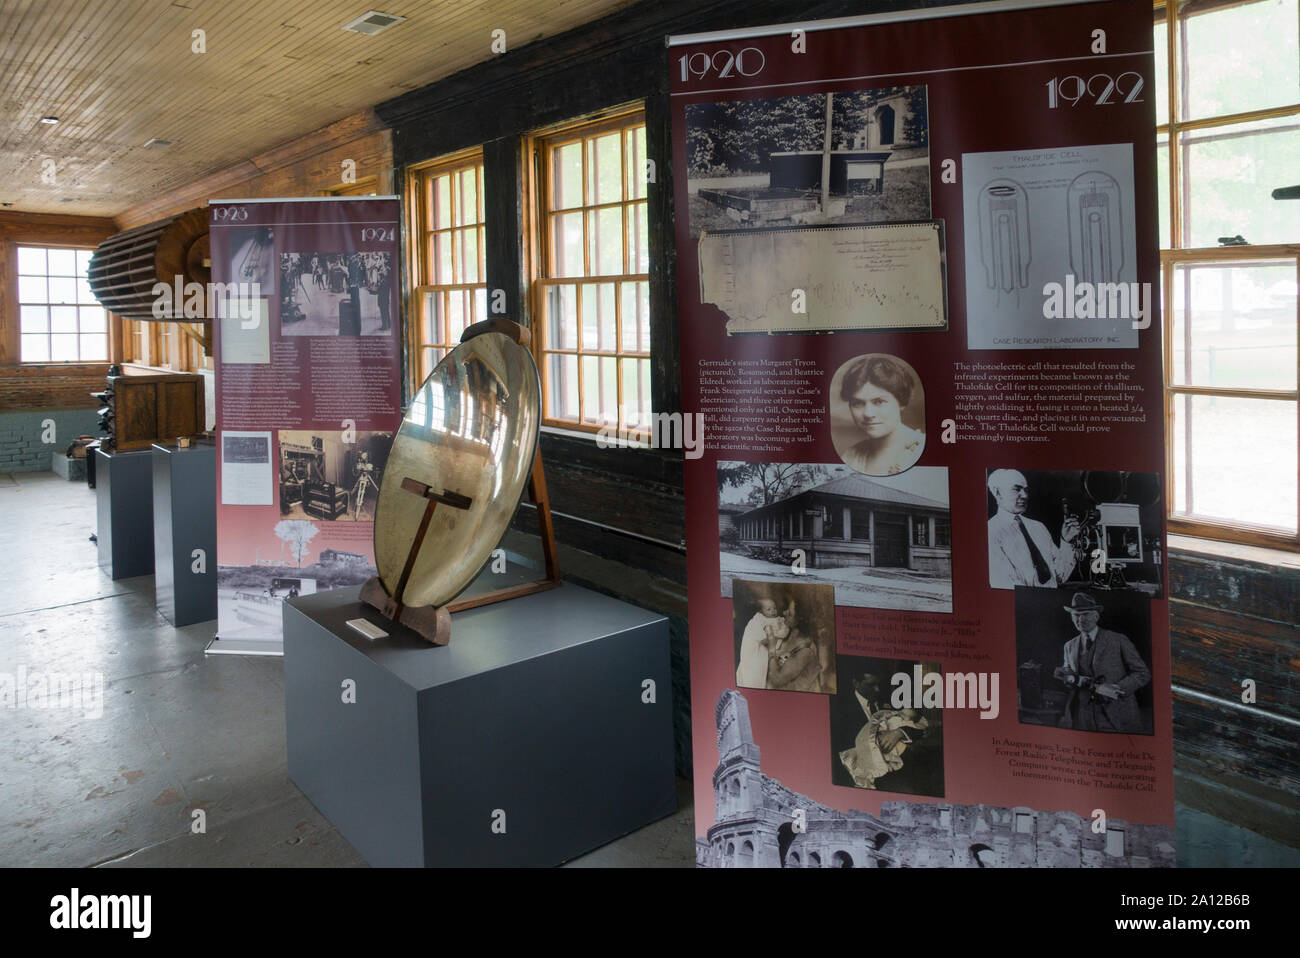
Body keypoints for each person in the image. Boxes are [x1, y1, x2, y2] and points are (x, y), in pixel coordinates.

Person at [1052, 592, 1151, 733]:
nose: (1080, 619)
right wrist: (1065, 677)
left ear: (1096, 616)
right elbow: (1071, 681)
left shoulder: (1118, 640)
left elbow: (1142, 673)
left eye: (1085, 614)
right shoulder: (1069, 646)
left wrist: (1114, 690)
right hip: (1082, 717)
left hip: (1115, 715)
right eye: (1076, 615)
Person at [987, 469, 1079, 589]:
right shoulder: (990, 532)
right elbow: (1007, 586)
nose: (1024, 495)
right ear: (997, 492)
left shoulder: (1038, 528)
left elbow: (1059, 576)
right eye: (1016, 489)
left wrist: (1066, 541)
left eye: (1026, 490)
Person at [835, 355, 925, 476]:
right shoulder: (851, 456)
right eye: (858, 403)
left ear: (901, 402)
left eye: (879, 402)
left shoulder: (921, 448)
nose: (868, 413)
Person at [736, 597, 783, 689]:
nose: (773, 611)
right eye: (768, 609)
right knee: (753, 671)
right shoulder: (759, 620)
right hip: (754, 650)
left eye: (774, 608)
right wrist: (775, 641)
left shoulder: (775, 619)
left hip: (762, 647)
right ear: (761, 612)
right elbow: (767, 638)